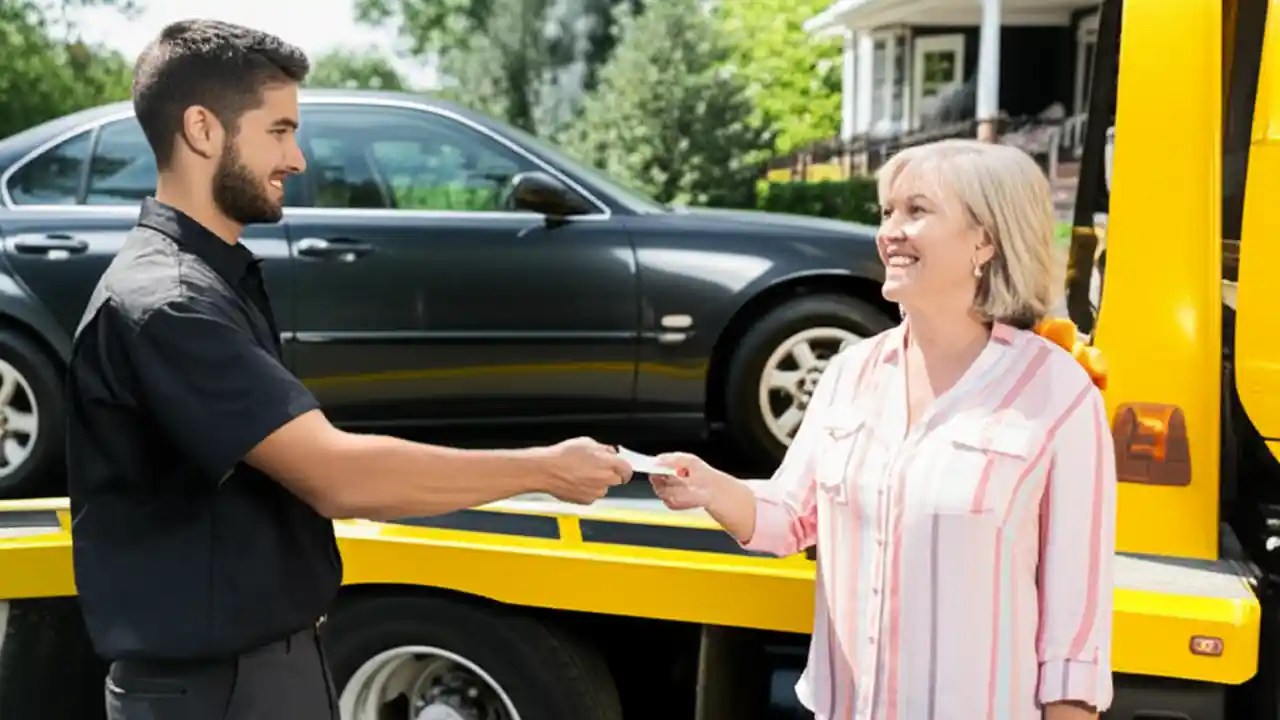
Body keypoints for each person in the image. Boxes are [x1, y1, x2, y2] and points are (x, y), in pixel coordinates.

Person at [64, 19, 631, 720]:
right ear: (203, 130)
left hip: (250, 671)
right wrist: (545, 468)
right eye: (278, 131)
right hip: (217, 690)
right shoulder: (169, 304)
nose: (296, 158)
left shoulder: (205, 280)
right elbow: (339, 475)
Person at [650, 139, 1116, 720]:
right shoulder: (850, 373)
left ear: (986, 240)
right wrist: (709, 486)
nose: (890, 231)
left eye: (916, 211)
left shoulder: (1057, 393)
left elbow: (1076, 629)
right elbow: (789, 517)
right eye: (886, 212)